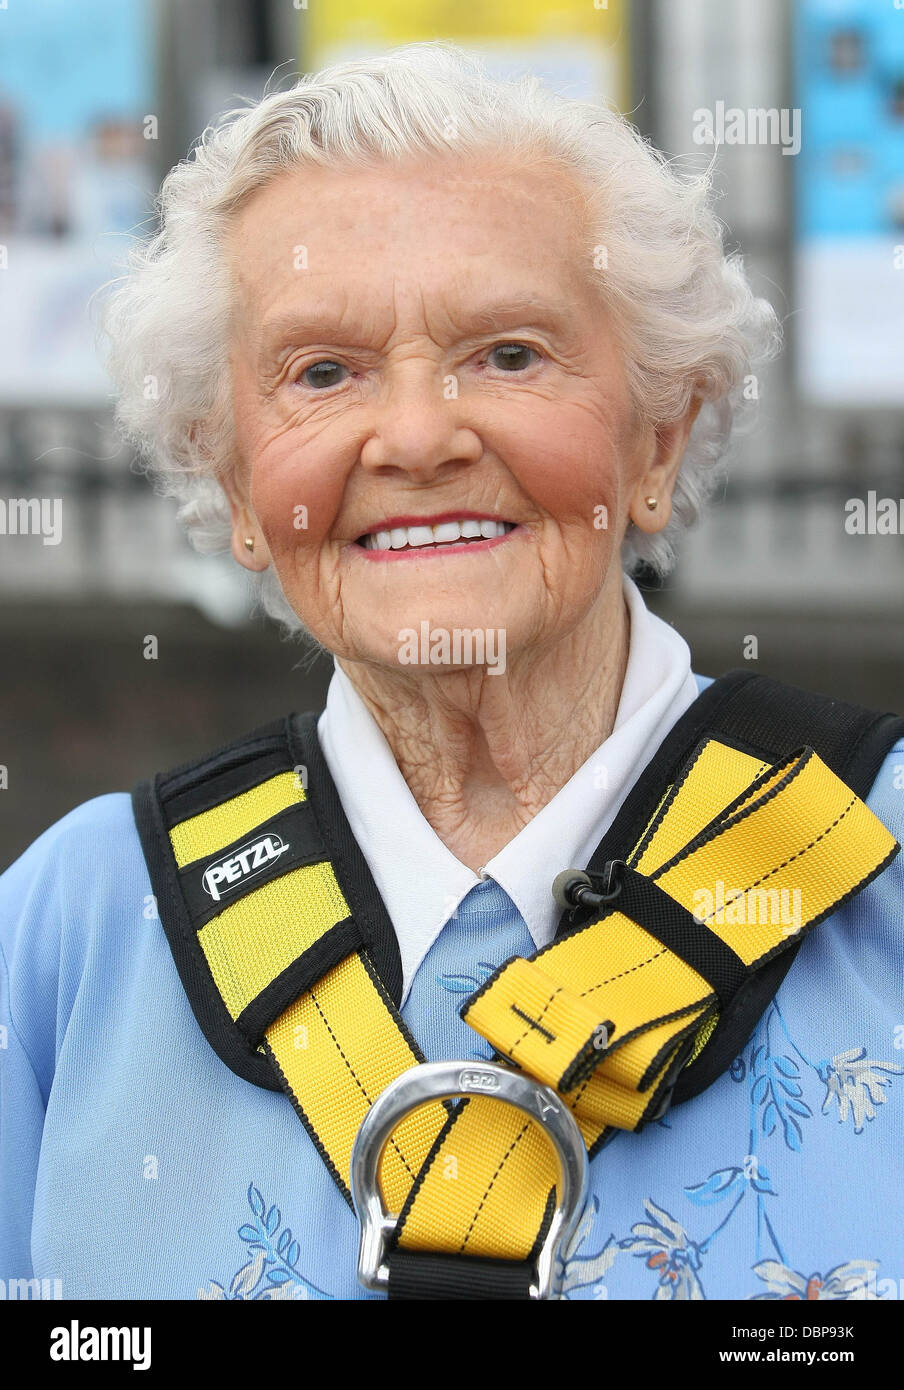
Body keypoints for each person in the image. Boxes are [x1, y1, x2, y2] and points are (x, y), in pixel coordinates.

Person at [1, 42, 901, 1303]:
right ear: (233, 481)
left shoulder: (882, 861)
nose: (418, 436)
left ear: (661, 432)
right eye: (323, 373)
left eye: (511, 354)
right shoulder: (69, 929)